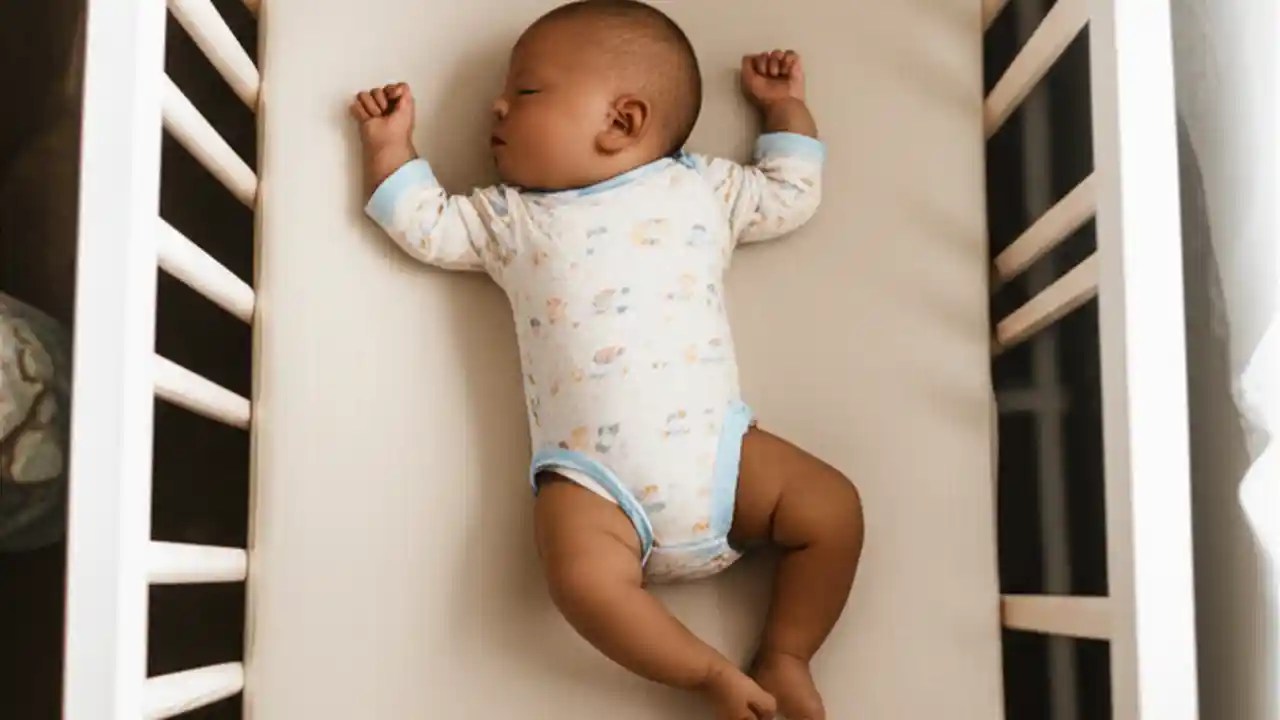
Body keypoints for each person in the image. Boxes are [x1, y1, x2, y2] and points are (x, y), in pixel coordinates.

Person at [350, 2, 863, 717]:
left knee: (833, 509)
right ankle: (708, 673)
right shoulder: (511, 217)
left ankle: (786, 651)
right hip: (596, 490)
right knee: (580, 585)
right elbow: (426, 225)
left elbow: (789, 194)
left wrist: (786, 112)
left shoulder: (701, 188)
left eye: (525, 92)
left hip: (724, 459)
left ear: (622, 121)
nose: (495, 107)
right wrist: (390, 147)